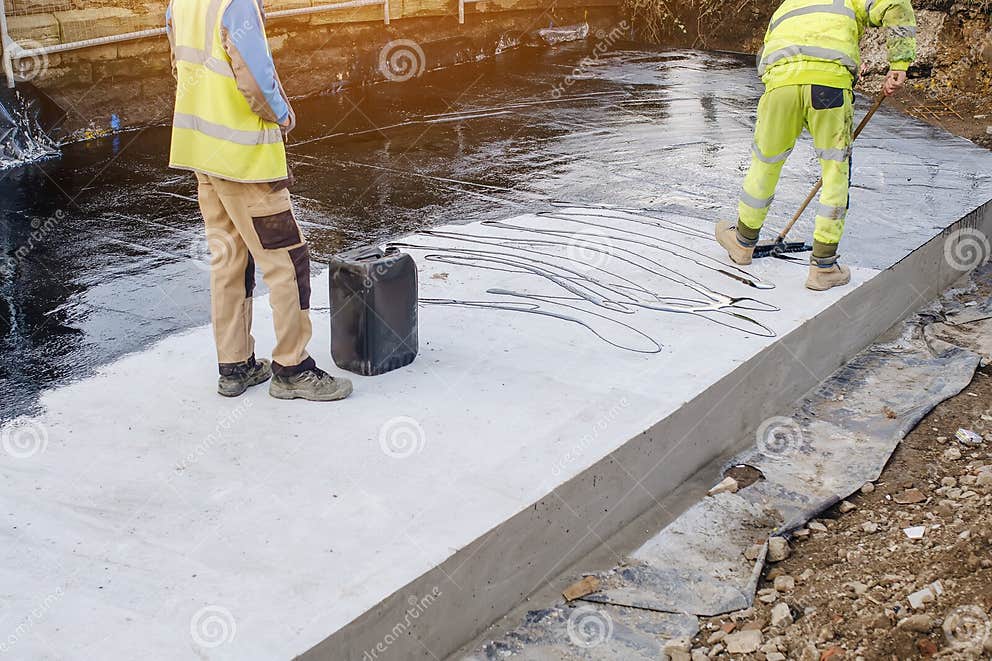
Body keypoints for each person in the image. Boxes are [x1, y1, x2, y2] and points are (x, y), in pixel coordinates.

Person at [166, 0, 353, 401]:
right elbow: (253, 80)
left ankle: (235, 366)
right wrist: (284, 116)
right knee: (286, 261)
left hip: (203, 153)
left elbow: (178, 64)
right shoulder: (237, 5)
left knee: (230, 259)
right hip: (244, 160)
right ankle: (292, 368)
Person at [716, 0, 917, 290]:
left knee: (765, 164)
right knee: (835, 171)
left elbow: (765, 57)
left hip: (779, 88)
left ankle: (743, 242)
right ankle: (823, 268)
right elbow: (896, 6)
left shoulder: (786, 8)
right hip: (828, 89)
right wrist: (898, 65)